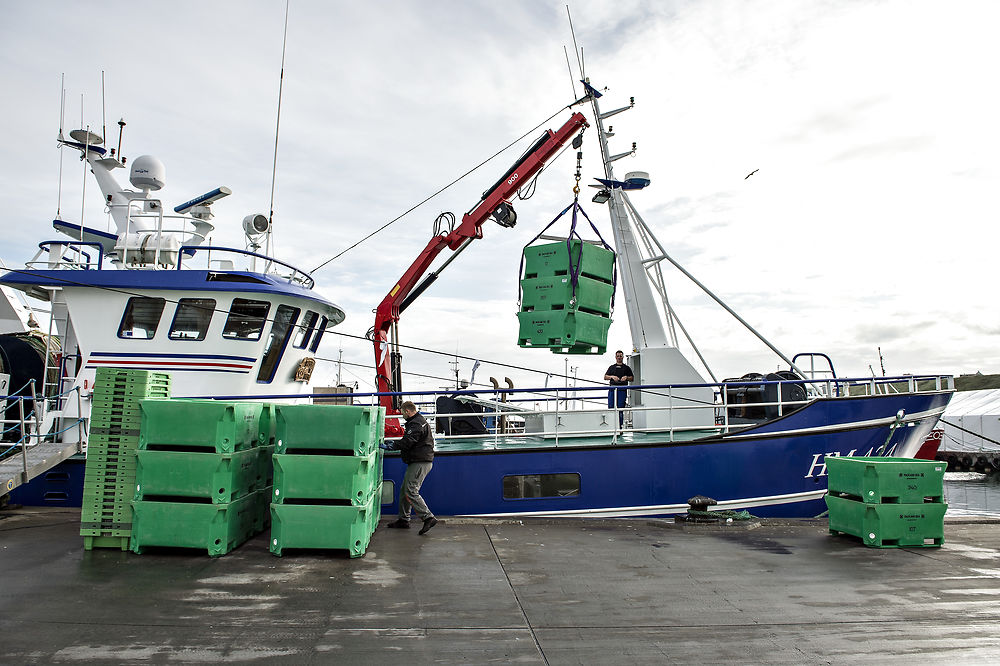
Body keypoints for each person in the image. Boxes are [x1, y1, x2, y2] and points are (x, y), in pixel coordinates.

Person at [384, 400, 439, 534]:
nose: (402, 415)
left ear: (408, 411)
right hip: (419, 460)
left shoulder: (416, 424)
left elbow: (409, 441)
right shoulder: (418, 421)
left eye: (402, 413)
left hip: (420, 462)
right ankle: (403, 519)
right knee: (404, 491)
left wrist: (393, 446)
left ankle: (428, 517)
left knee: (410, 490)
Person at [604, 350, 633, 427]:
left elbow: (632, 378)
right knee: (611, 408)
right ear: (615, 357)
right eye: (618, 356)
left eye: (620, 356)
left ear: (623, 357)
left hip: (622, 390)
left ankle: (619, 427)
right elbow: (605, 377)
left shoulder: (626, 368)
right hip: (612, 390)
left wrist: (626, 377)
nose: (619, 357)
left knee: (620, 409)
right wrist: (612, 377)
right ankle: (612, 427)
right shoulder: (611, 367)